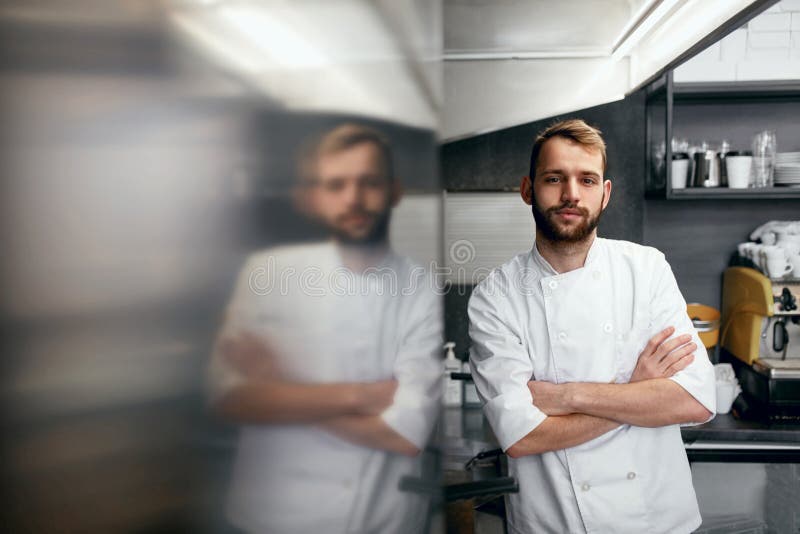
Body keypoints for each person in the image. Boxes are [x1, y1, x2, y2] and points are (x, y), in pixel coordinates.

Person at [468, 119, 716, 534]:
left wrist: (566, 396)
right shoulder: (496, 297)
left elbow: (694, 400)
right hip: (556, 524)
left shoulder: (646, 268)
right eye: (554, 179)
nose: (571, 194)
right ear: (528, 190)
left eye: (587, 180)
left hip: (658, 522)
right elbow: (522, 437)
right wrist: (637, 391)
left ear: (605, 193)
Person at [209, 123, 442, 533]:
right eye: (336, 185)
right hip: (274, 520)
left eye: (369, 183)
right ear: (315, 198)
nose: (353, 198)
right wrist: (362, 395)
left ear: (394, 190)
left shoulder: (420, 287)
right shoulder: (267, 274)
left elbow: (405, 434)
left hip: (381, 521)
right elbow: (228, 398)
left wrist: (278, 384)